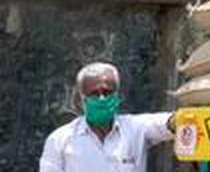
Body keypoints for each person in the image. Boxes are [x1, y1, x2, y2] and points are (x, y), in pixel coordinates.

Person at [38, 62, 175, 172]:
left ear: (117, 96)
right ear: (82, 99)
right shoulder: (60, 140)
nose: (102, 98)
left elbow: (168, 123)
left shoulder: (135, 129)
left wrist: (179, 119)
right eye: (94, 94)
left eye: (107, 92)